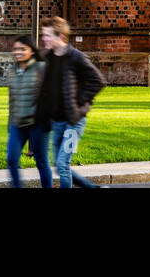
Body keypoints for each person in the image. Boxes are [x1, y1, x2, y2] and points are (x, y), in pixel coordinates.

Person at [36, 16, 106, 188]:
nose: (43, 39)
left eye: (47, 35)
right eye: (43, 35)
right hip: (57, 122)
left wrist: (79, 102)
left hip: (74, 122)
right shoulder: (48, 58)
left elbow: (99, 81)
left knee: (62, 165)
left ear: (60, 36)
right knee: (60, 166)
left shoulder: (77, 57)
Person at [3, 34, 52, 189]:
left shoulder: (41, 68)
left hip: (38, 124)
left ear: (31, 51)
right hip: (18, 124)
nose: (18, 52)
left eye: (22, 49)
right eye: (16, 49)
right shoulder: (11, 71)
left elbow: (51, 95)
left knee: (41, 162)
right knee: (11, 159)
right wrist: (10, 124)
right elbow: (12, 100)